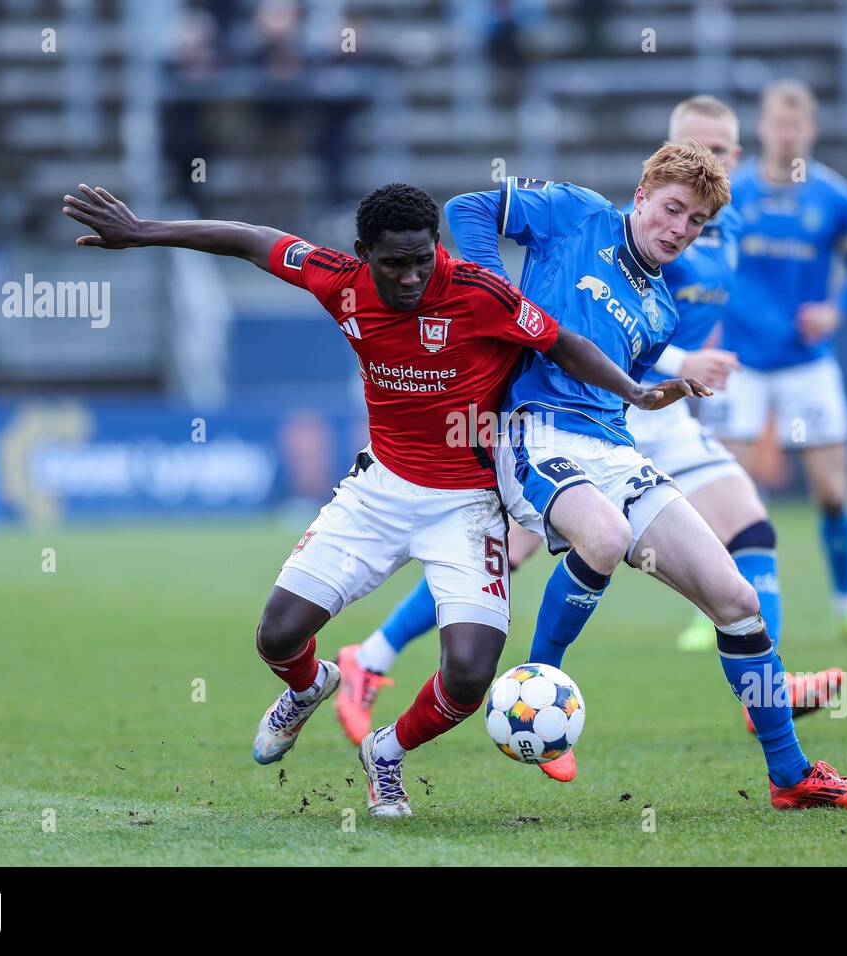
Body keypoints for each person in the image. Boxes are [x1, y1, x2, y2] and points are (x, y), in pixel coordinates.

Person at [61, 181, 701, 817]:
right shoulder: (338, 282)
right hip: (381, 491)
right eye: (395, 262)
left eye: (423, 258)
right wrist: (146, 232)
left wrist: (638, 394)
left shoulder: (477, 292)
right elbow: (252, 241)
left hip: (467, 503)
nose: (412, 276)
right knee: (276, 636)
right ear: (363, 252)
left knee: (472, 676)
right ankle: (311, 687)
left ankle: (385, 753)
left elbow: (563, 342)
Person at [343, 141, 847, 808]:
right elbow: (470, 205)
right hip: (532, 432)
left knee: (739, 602)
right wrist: (495, 288)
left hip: (616, 451)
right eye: (672, 210)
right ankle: (540, 679)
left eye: (695, 223)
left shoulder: (662, 306)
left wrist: (650, 391)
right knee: (599, 539)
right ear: (642, 195)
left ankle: (791, 775)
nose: (679, 230)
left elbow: (616, 380)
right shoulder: (576, 213)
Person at [709, 79, 847, 650]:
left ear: (810, 130)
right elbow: (702, 256)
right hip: (740, 361)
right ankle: (711, 609)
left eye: (797, 125)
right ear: (762, 128)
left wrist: (836, 310)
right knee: (724, 492)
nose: (786, 134)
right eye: (776, 123)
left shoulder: (835, 198)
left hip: (807, 363)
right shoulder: (732, 191)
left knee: (832, 490)